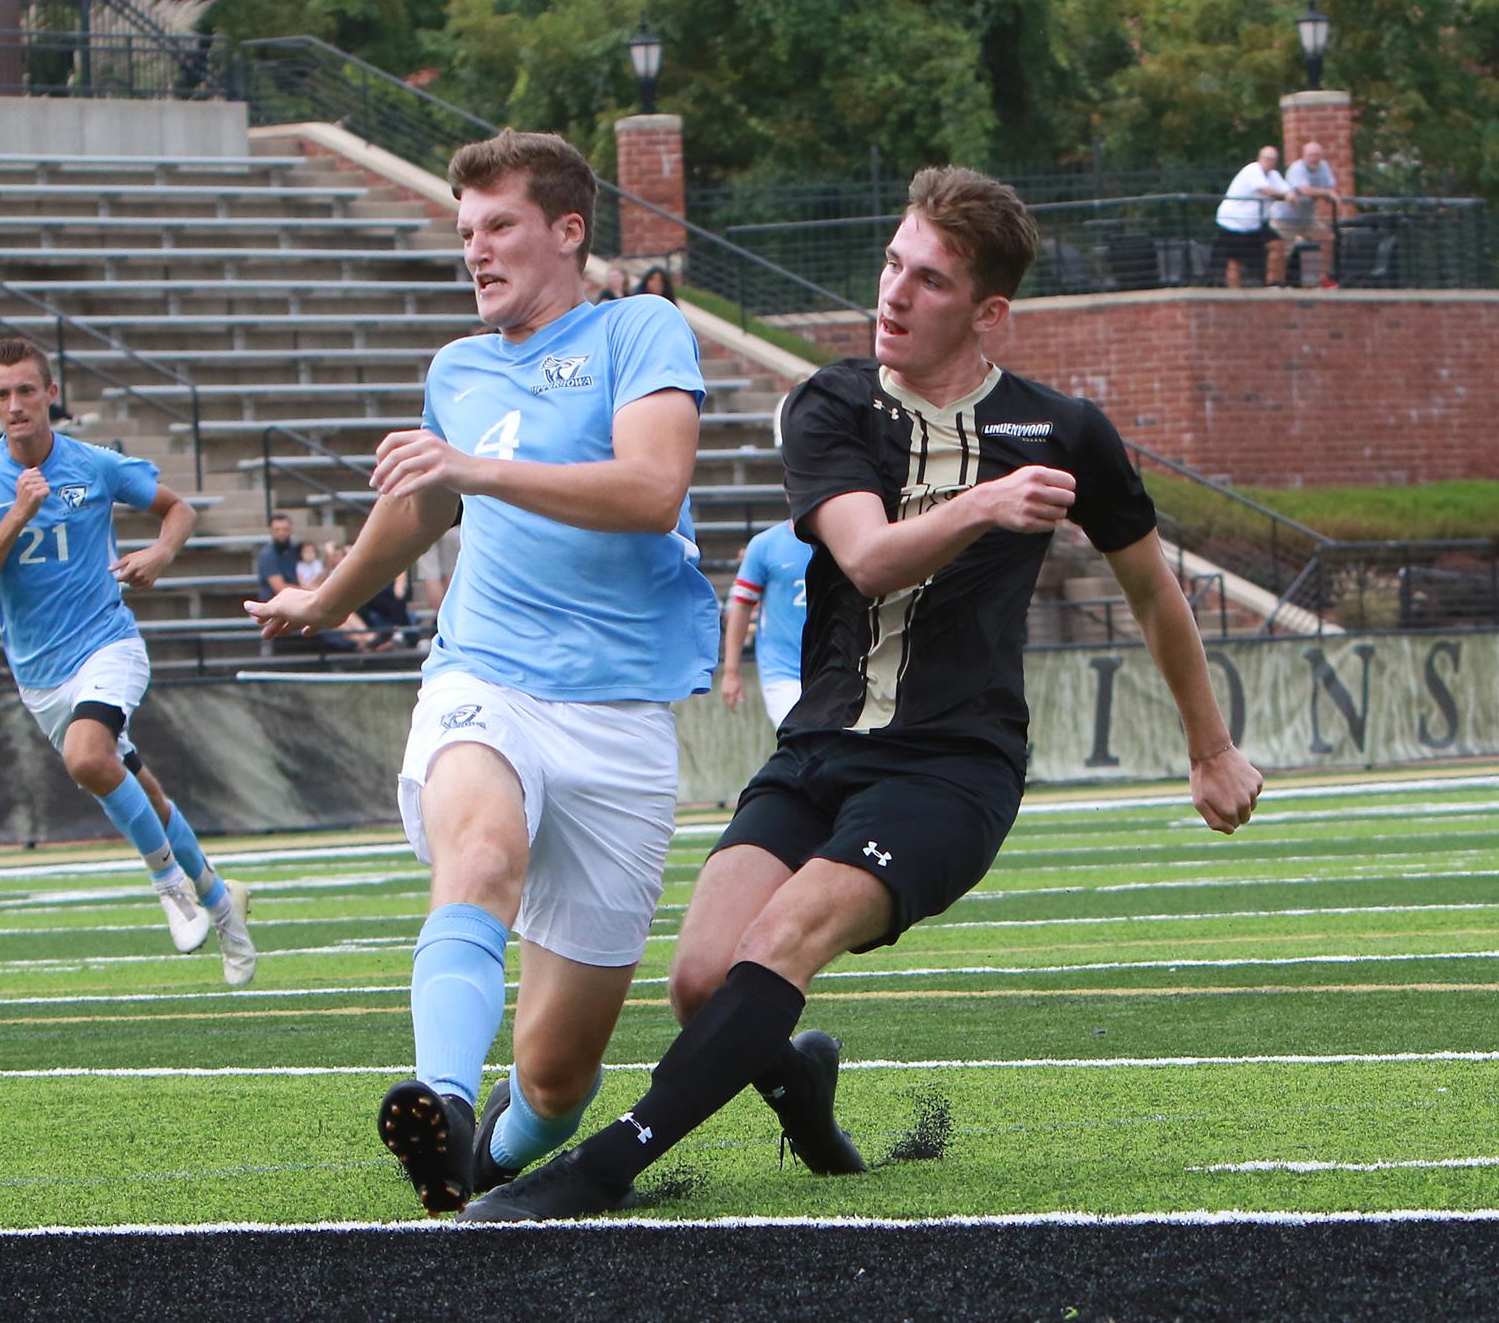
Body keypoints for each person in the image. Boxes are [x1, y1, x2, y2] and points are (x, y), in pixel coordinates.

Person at [461, 165, 1264, 1222]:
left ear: (988, 314)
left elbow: (1155, 593)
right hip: (818, 752)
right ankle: (802, 1091)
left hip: (951, 771)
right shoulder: (832, 403)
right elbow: (872, 558)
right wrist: (985, 504)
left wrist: (1209, 749)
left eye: (927, 281)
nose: (891, 293)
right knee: (703, 980)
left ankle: (598, 1169)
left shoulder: (1061, 431)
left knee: (781, 939)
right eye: (891, 264)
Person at [245, 128, 716, 1216]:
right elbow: (421, 506)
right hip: (484, 675)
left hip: (618, 716)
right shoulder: (455, 369)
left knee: (555, 1078)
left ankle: (495, 1148)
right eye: (464, 231)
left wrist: (472, 467)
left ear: (566, 229)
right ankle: (443, 1100)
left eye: (498, 225)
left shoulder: (637, 328)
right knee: (481, 848)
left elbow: (650, 488)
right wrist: (321, 600)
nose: (475, 250)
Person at [0, 336, 256, 987]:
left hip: (107, 643)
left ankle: (168, 883)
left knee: (88, 758)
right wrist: (19, 514)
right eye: (0, 394)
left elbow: (179, 509)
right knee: (141, 787)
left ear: (50, 393)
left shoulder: (95, 464)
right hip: (40, 675)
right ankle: (225, 908)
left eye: (26, 390)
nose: (15, 405)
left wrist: (160, 555)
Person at [721, 519, 811, 728]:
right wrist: (731, 671)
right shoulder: (765, 545)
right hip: (783, 672)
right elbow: (740, 608)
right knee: (800, 741)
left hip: (835, 671)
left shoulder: (841, 541)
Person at [1212, 146, 1292, 289]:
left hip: (1255, 225)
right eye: (1267, 159)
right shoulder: (1252, 170)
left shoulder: (1273, 175)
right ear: (1260, 159)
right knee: (1234, 261)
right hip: (1234, 223)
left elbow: (1287, 191)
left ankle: (1273, 285)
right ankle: (1235, 298)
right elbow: (1266, 190)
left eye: (1273, 159)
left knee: (1277, 245)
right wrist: (1286, 196)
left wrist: (1293, 195)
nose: (1270, 162)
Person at [1271, 141, 1346, 288]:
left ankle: (1323, 277)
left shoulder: (1324, 166)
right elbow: (1304, 190)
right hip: (1285, 218)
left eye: (1317, 155)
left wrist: (1328, 193)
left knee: (1328, 238)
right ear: (1304, 156)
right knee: (1283, 251)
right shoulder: (1296, 168)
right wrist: (1326, 193)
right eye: (1310, 155)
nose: (1314, 158)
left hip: (1307, 218)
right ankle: (1278, 284)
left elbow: (1330, 186)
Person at [254, 512, 302, 602]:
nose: (281, 533)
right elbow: (280, 589)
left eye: (285, 529)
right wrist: (310, 592)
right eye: (277, 530)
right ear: (271, 532)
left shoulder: (295, 551)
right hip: (273, 607)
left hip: (295, 603)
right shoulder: (267, 556)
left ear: (291, 530)